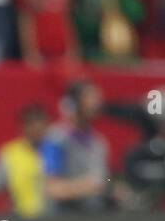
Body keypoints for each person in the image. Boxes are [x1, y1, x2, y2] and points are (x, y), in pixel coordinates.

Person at [40, 80, 112, 212]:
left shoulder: (100, 143)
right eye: (90, 98)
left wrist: (111, 187)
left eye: (97, 98)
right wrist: (86, 187)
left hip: (94, 220)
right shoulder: (56, 139)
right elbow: (51, 189)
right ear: (73, 104)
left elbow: (104, 179)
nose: (96, 103)